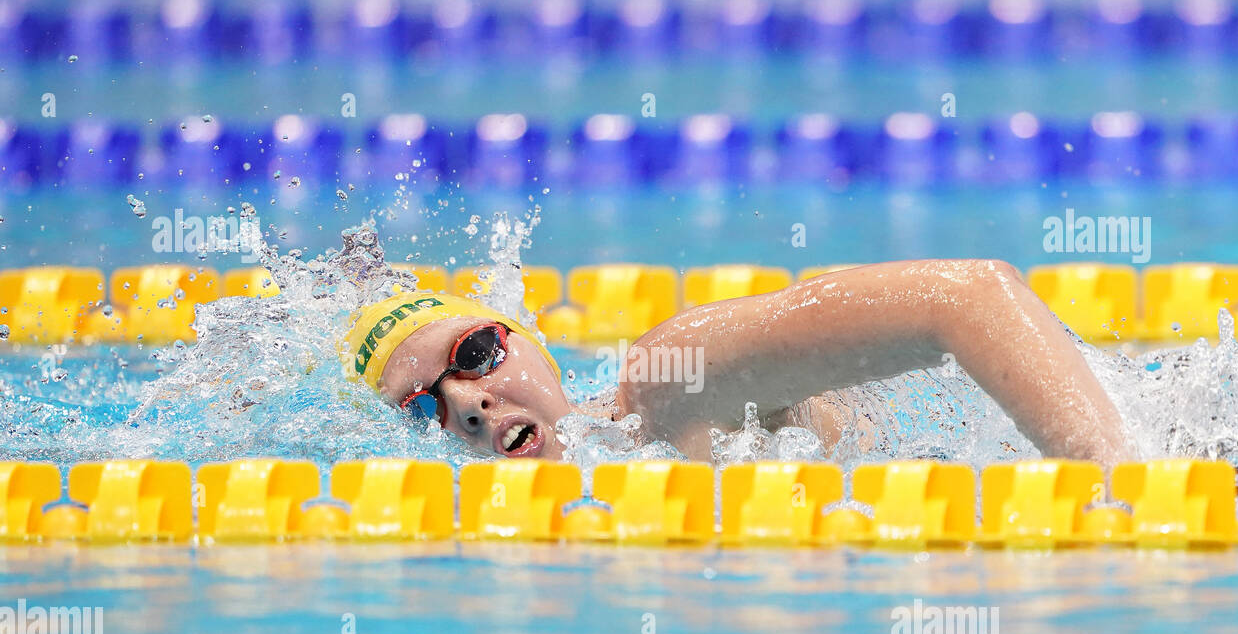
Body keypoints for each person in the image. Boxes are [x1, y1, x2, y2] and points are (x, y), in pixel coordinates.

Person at [343, 259, 1141, 465]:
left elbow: (966, 297)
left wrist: (1112, 470)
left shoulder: (666, 385)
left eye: (476, 356)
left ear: (535, 344)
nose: (469, 403)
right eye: (425, 403)